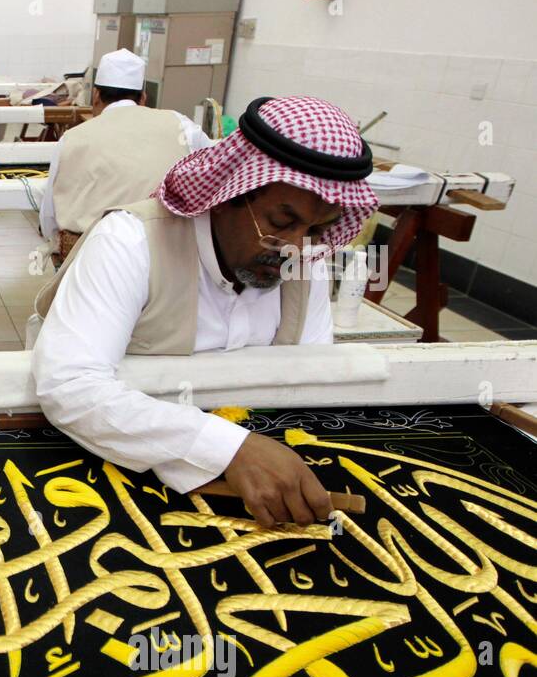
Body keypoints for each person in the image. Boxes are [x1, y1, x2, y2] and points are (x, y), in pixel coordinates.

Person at [32, 96, 378, 528]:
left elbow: (308, 383)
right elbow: (69, 385)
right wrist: (228, 448)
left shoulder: (306, 257)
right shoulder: (131, 241)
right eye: (281, 221)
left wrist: (248, 450)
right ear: (229, 193)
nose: (295, 247)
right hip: (112, 479)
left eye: (317, 230)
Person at [39, 49, 210, 260]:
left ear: (95, 95)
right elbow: (211, 177)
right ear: (143, 98)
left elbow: (49, 215)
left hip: (90, 257)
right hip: (164, 256)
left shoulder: (72, 138)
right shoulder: (182, 125)